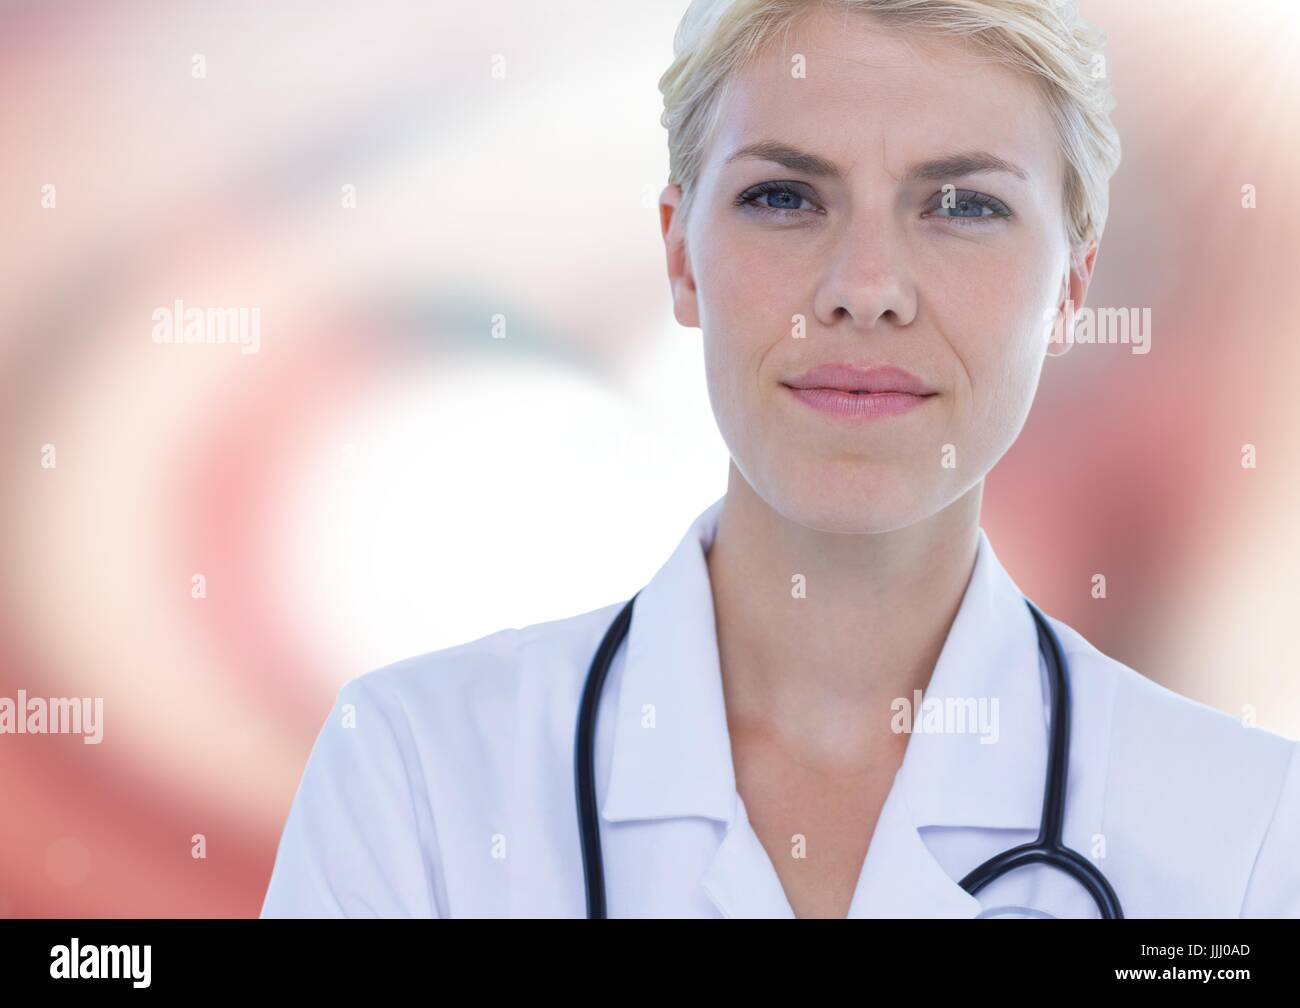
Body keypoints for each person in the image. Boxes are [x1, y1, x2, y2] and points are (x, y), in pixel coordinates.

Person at [260, 0, 1300, 918]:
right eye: (786, 197)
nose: (865, 287)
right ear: (679, 256)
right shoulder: (414, 778)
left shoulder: (1247, 829)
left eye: (962, 205)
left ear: (1071, 289)